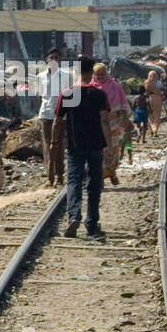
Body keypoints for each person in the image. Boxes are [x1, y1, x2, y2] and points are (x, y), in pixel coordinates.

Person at [53, 57, 110, 239]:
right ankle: (92, 225)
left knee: (74, 182)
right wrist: (108, 146)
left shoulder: (69, 94)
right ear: (91, 73)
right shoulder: (99, 94)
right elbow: (104, 121)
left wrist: (55, 142)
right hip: (95, 145)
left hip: (75, 145)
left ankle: (73, 216)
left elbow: (58, 121)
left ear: (76, 72)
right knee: (94, 184)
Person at [92, 62, 131, 186]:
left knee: (113, 151)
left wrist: (125, 119)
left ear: (107, 73)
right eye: (98, 75)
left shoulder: (115, 86)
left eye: (103, 74)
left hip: (114, 124)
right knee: (99, 151)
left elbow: (123, 104)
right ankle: (102, 177)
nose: (100, 77)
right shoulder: (91, 87)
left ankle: (112, 173)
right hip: (96, 125)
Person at [36, 47, 70, 187]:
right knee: (47, 146)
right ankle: (49, 177)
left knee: (59, 145)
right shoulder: (40, 77)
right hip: (46, 114)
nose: (54, 60)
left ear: (60, 60)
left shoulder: (66, 76)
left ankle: (60, 175)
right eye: (51, 58)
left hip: (61, 115)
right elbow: (40, 96)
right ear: (47, 60)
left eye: (56, 58)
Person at [144, 70, 165, 137]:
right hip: (158, 99)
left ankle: (151, 129)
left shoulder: (146, 82)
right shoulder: (159, 83)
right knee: (157, 115)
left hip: (150, 98)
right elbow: (162, 91)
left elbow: (146, 92)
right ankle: (155, 131)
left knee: (150, 115)